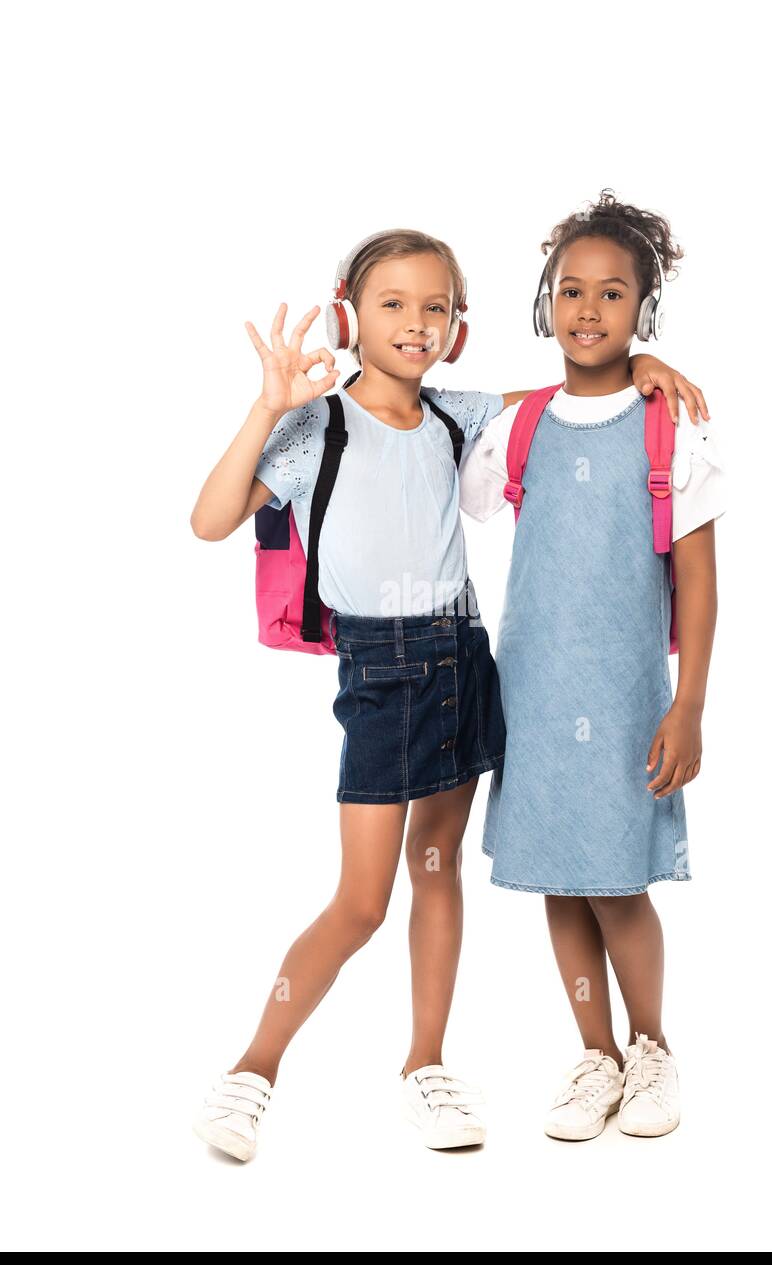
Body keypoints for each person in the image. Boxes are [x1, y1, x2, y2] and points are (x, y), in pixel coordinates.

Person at [189, 226, 708, 1158]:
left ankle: (424, 1065)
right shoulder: (314, 426)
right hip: (380, 671)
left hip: (463, 661)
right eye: (392, 305)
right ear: (350, 314)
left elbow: (564, 395)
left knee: (438, 871)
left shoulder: (455, 414)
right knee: (360, 901)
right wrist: (266, 408)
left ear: (459, 329)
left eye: (436, 309)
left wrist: (647, 364)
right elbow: (210, 518)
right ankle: (252, 1070)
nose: (416, 325)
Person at [459, 192, 725, 1141]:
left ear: (642, 312)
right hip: (532, 691)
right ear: (544, 301)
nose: (587, 310)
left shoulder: (669, 426)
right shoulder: (519, 425)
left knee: (617, 879)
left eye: (612, 294)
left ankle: (652, 1048)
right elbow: (428, 427)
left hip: (622, 699)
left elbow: (695, 581)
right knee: (559, 878)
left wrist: (687, 704)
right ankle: (595, 1054)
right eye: (570, 290)